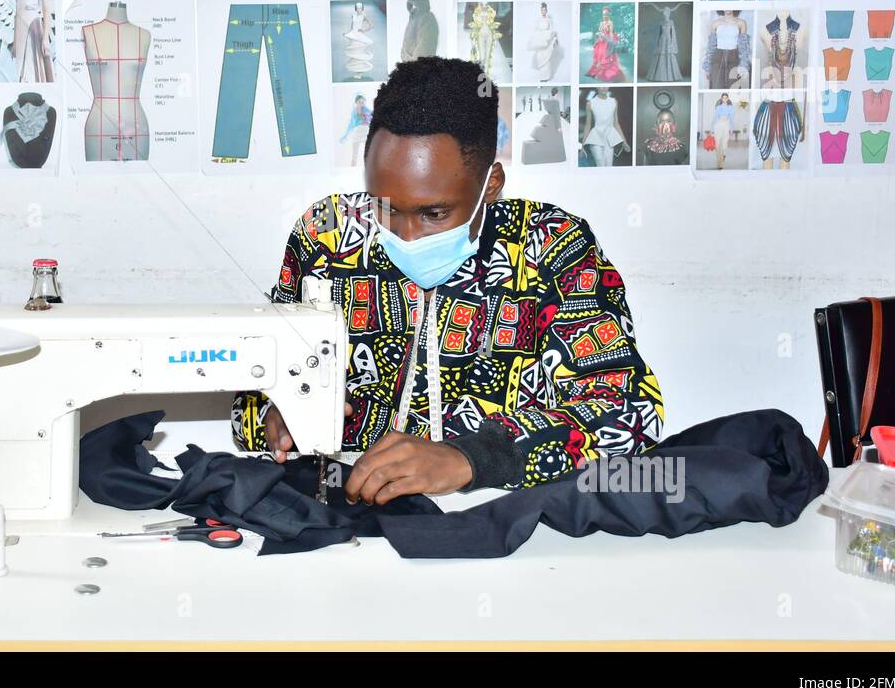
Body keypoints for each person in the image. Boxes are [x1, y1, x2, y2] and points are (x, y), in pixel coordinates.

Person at [232, 57, 663, 497]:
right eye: (385, 207)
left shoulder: (552, 246)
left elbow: (628, 410)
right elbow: (249, 395)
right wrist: (276, 408)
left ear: (490, 185)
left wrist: (471, 458)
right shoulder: (325, 235)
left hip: (498, 521)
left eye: (434, 213)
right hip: (347, 515)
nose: (407, 234)